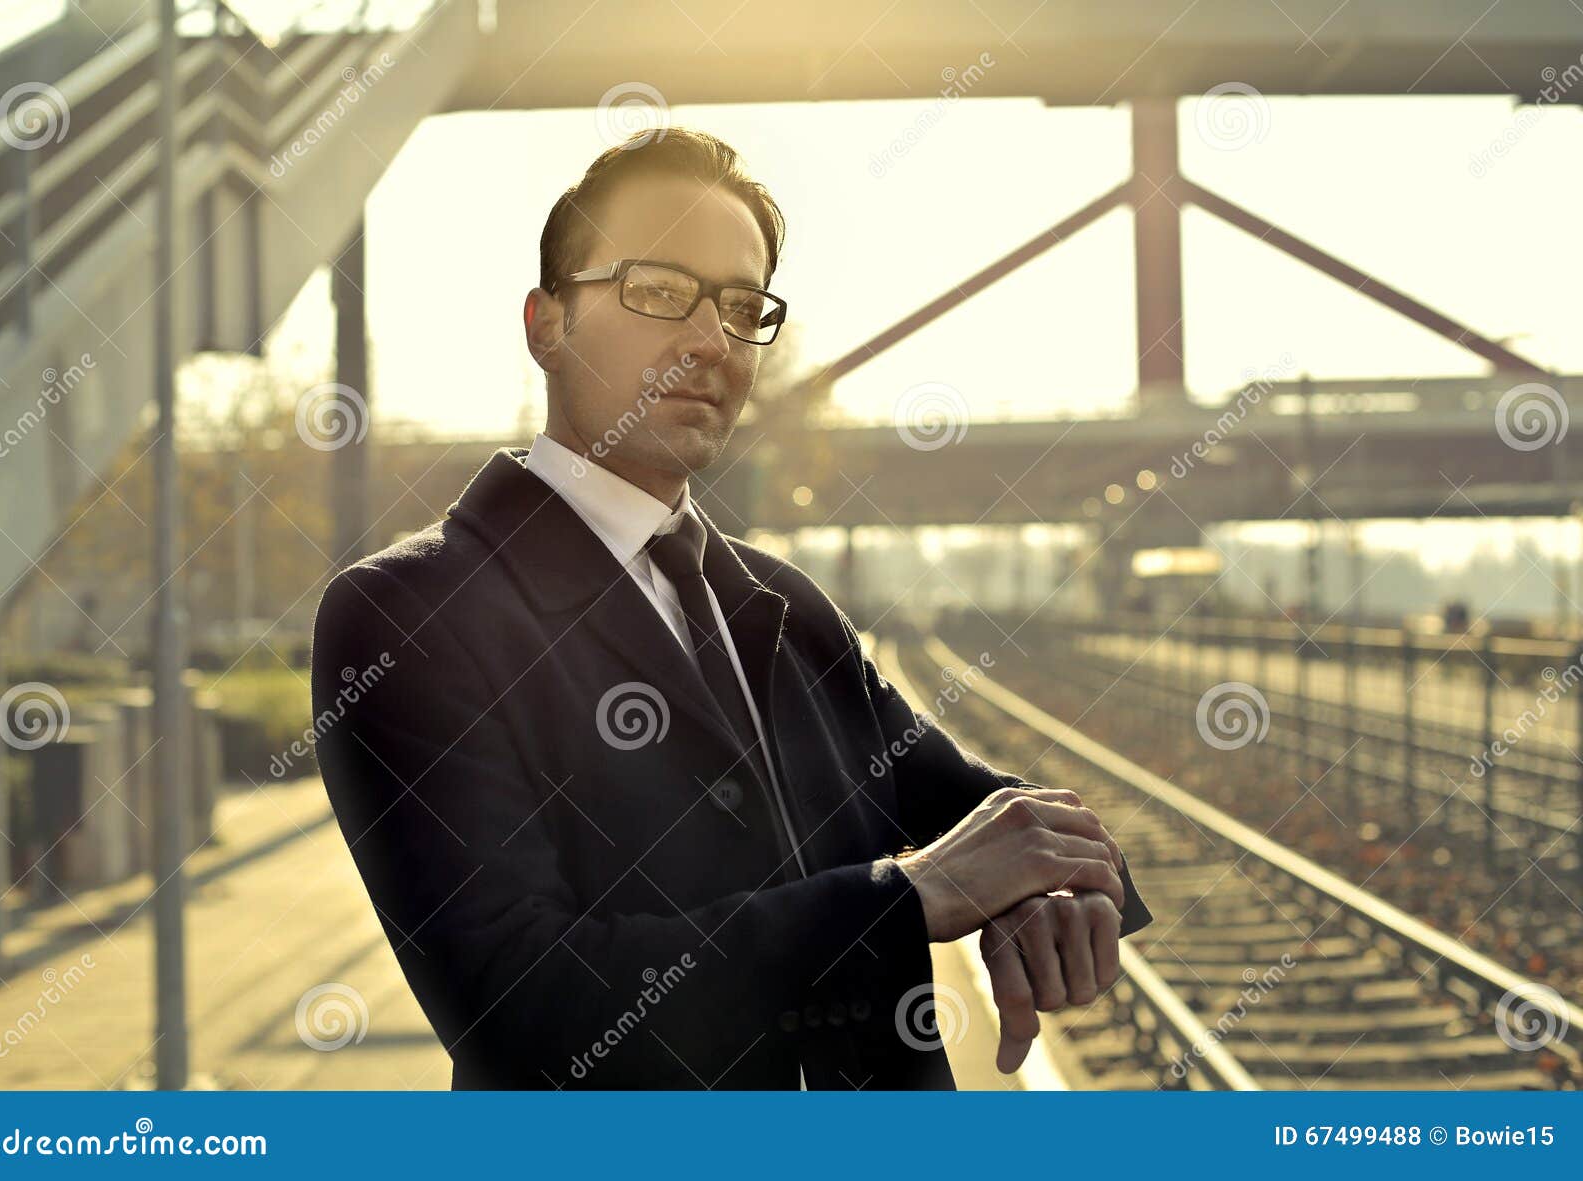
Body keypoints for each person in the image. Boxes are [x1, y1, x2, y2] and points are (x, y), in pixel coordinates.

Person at [310, 127, 1151, 1090]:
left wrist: (1057, 884)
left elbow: (988, 814)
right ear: (546, 324)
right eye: (660, 290)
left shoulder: (784, 604)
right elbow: (520, 1004)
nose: (710, 339)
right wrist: (912, 894)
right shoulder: (406, 615)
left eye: (744, 306)